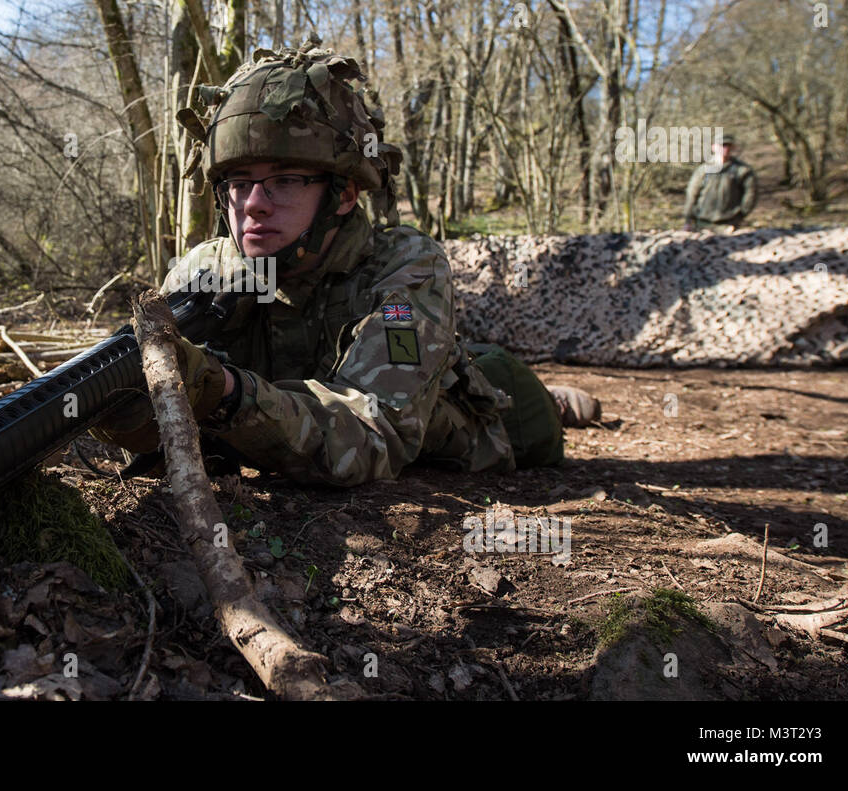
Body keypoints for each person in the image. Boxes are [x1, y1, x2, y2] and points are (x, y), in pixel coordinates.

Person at [93, 39, 600, 488]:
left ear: (344, 194)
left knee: (536, 412)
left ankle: (560, 399)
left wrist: (226, 393)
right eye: (238, 182)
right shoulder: (202, 272)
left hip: (494, 418)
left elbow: (376, 434)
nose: (253, 204)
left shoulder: (405, 269)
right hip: (385, 379)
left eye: (286, 180)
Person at [683, 134, 757, 231]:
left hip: (729, 224)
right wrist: (688, 219)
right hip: (702, 223)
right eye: (722, 145)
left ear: (733, 148)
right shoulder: (703, 170)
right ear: (713, 147)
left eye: (728, 145)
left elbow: (751, 194)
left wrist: (741, 214)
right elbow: (692, 193)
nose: (725, 148)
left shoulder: (742, 170)